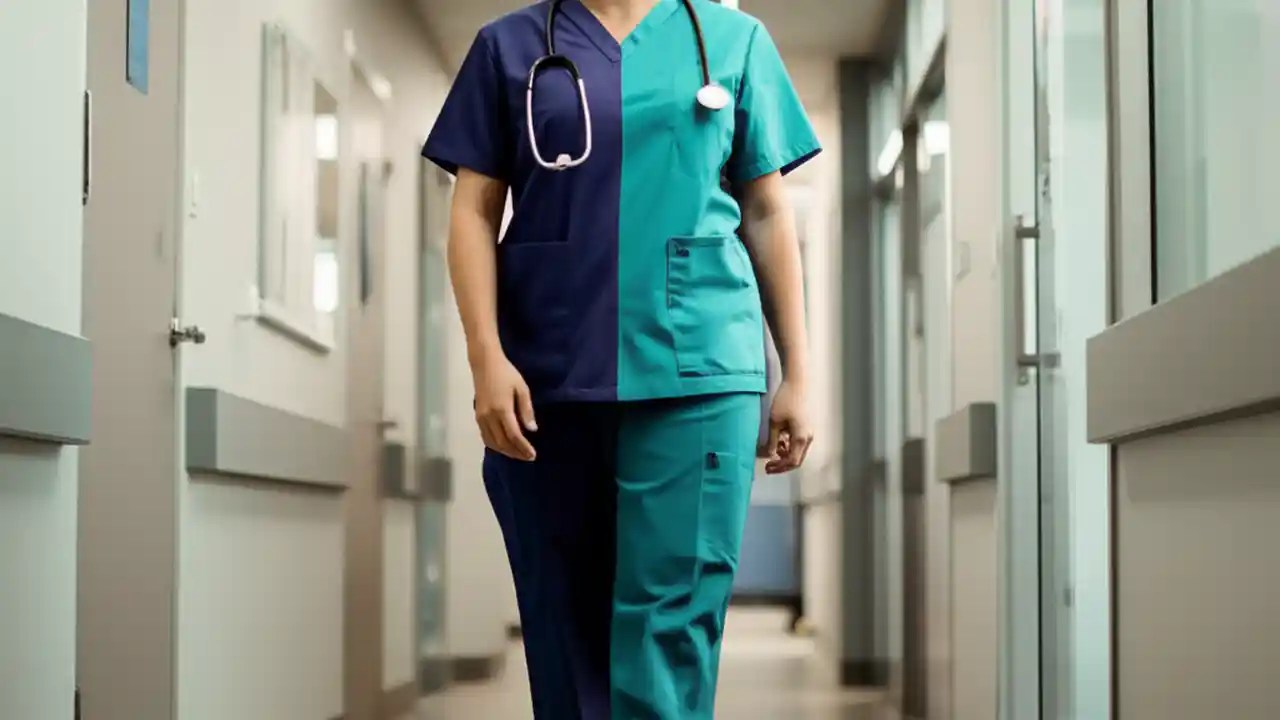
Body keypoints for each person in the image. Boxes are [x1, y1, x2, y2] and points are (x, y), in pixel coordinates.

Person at [423, 0, 819, 716]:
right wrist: (485, 357)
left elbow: (767, 207)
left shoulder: (735, 40)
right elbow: (474, 209)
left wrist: (800, 370)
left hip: (698, 372)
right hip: (546, 376)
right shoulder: (506, 47)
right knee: (562, 627)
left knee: (672, 626)